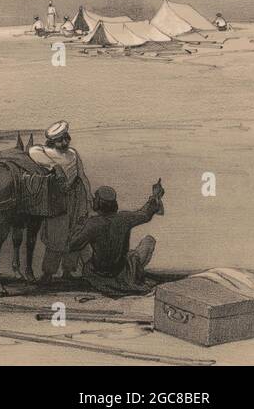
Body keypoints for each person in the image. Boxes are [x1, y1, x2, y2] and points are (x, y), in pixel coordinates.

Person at [66, 181, 164, 296]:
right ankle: (132, 277)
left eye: (95, 198)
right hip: (121, 272)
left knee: (83, 247)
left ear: (98, 203)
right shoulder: (123, 218)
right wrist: (155, 196)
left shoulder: (92, 223)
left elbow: (73, 245)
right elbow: (145, 214)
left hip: (98, 275)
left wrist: (79, 226)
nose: (93, 200)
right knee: (149, 240)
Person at [28, 121, 91, 281]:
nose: (64, 143)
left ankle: (68, 271)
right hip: (57, 200)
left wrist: (89, 196)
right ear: (52, 141)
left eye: (65, 139)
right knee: (56, 236)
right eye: (59, 140)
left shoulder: (73, 154)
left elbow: (82, 176)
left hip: (77, 199)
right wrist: (54, 166)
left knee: (75, 234)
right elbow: (32, 150)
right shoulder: (44, 151)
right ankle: (48, 273)